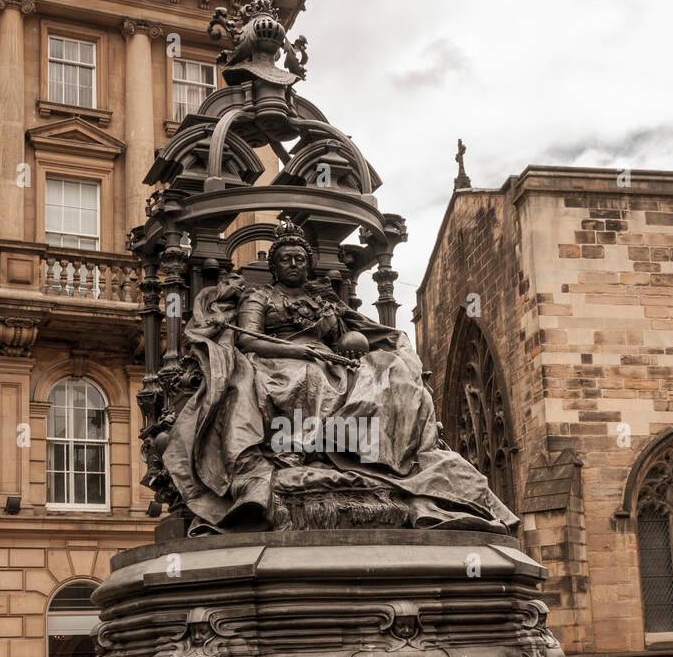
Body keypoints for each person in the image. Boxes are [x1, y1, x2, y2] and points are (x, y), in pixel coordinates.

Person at [160, 224, 518, 533]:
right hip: (279, 357)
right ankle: (300, 451)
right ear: (274, 266)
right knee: (309, 378)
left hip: (331, 359)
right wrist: (301, 351)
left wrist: (350, 350)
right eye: (286, 259)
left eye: (300, 258)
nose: (294, 264)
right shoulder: (260, 295)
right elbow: (248, 339)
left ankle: (395, 456)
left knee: (390, 374)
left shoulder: (323, 300)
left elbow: (350, 337)